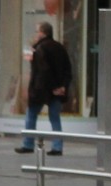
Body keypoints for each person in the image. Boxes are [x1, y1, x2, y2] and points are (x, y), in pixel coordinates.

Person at [15, 21, 72, 155]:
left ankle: (28, 144)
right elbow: (68, 70)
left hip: (41, 90)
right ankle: (57, 147)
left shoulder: (40, 49)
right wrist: (63, 86)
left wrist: (50, 87)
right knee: (54, 118)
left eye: (37, 31)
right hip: (57, 90)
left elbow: (43, 71)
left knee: (31, 115)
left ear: (42, 33)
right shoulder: (60, 48)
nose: (36, 34)